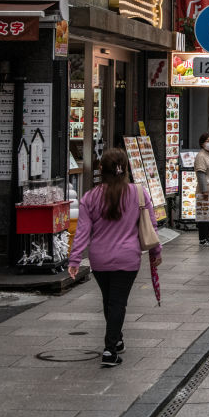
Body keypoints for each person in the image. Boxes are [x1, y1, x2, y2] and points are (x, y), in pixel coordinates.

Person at [68, 149, 162, 368]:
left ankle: (117, 339)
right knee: (118, 301)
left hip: (99, 259)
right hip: (128, 258)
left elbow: (82, 232)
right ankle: (110, 349)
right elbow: (152, 226)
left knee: (109, 299)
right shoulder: (138, 193)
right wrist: (156, 253)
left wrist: (74, 260)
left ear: (101, 170)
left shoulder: (90, 197)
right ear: (125, 168)